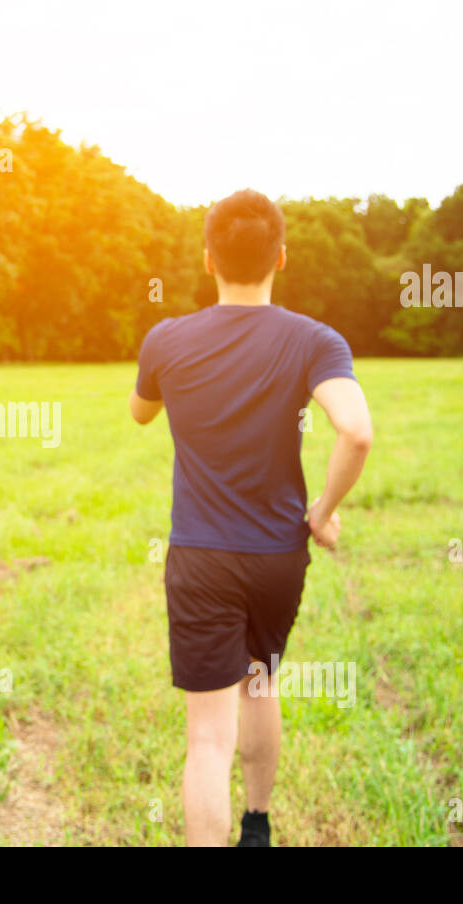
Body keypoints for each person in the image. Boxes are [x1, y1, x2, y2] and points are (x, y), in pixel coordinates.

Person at [129, 188, 372, 847]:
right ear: (281, 257)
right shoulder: (314, 340)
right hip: (278, 558)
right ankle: (257, 825)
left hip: (201, 556)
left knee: (207, 737)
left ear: (208, 259)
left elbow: (140, 411)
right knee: (260, 685)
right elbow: (355, 432)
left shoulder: (166, 339)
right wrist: (322, 512)